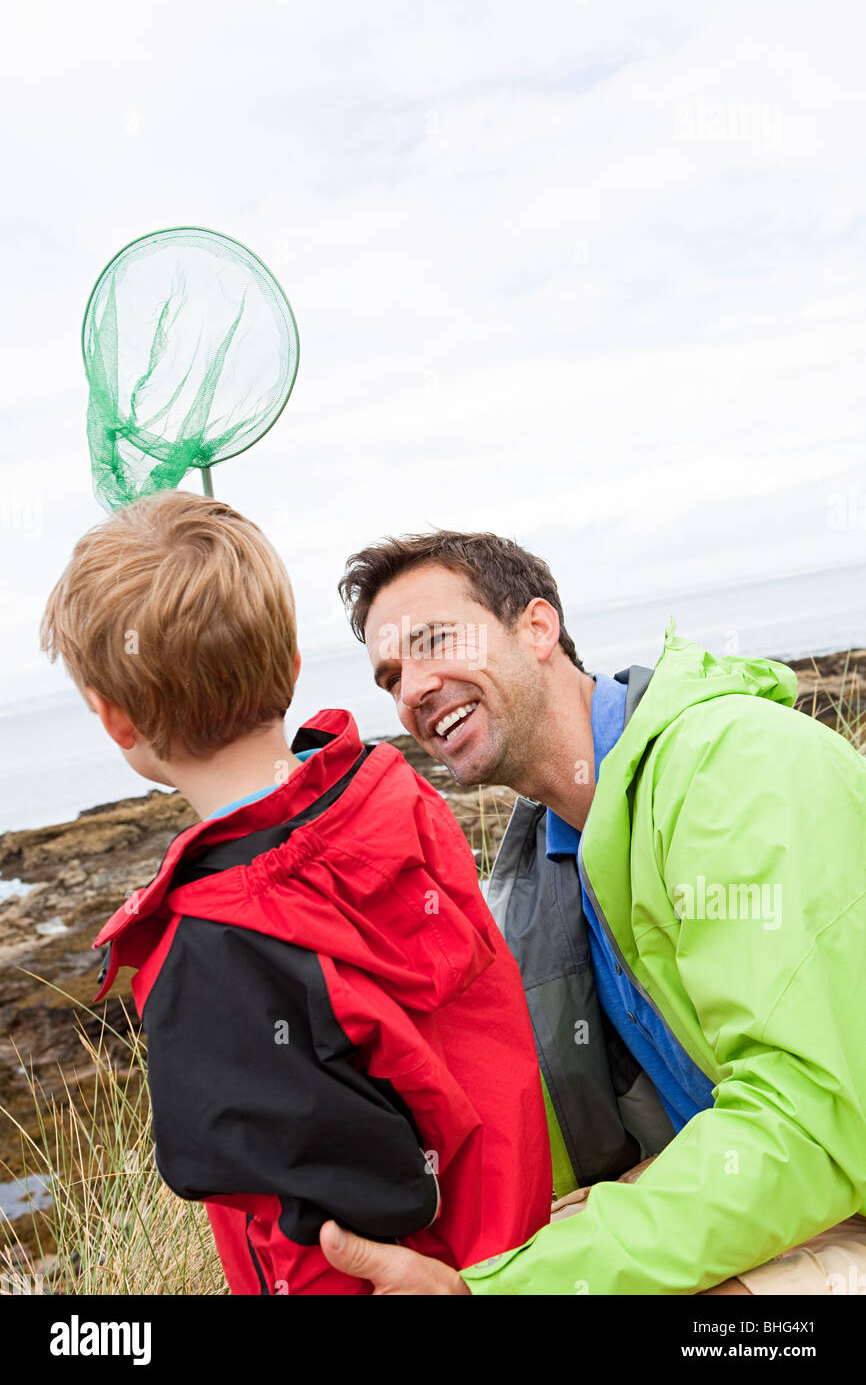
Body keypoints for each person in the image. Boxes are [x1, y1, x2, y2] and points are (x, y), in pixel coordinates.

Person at [318, 529, 866, 1295]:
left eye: (435, 640)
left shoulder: (735, 770)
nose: (409, 690)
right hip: (796, 1199)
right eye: (389, 676)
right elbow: (515, 1137)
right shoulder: (544, 872)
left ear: (538, 628)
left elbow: (811, 1125)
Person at [39, 497, 552, 1295]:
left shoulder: (205, 949)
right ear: (288, 666)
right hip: (518, 1252)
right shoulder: (396, 794)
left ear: (115, 722)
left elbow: (316, 1235)